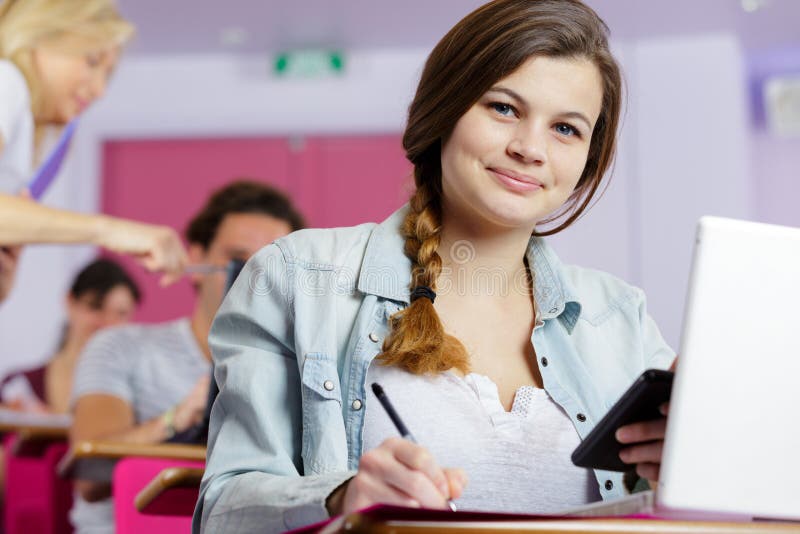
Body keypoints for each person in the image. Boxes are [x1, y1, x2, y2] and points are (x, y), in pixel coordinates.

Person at [194, 1, 676, 532]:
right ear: (445, 109)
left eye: (566, 129)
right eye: (504, 108)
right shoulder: (297, 277)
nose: (530, 148)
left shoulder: (619, 317)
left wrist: (685, 472)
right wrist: (340, 498)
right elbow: (222, 510)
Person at [69, 180, 305, 533]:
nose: (253, 278)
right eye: (238, 260)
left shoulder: (298, 372)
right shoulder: (119, 347)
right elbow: (89, 476)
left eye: (270, 265)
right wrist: (176, 421)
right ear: (196, 259)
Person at [0, 0, 187, 303]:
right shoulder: (6, 81)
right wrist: (108, 231)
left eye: (107, 73)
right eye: (91, 61)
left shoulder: (20, 125)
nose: (100, 89)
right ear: (40, 36)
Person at [0, 257, 140, 413]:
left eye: (121, 313)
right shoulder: (18, 387)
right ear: (70, 301)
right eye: (95, 306)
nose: (107, 323)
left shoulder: (138, 396)